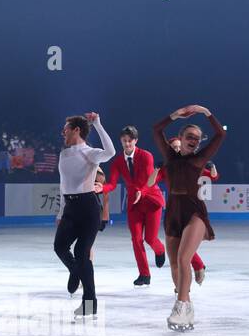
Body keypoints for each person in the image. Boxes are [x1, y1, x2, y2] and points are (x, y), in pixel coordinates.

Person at [153, 105, 226, 331]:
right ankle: (186, 303)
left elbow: (220, 134)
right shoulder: (169, 157)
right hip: (173, 212)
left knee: (185, 259)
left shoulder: (201, 158)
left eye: (197, 137)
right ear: (181, 138)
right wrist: (175, 114)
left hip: (195, 212)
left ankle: (181, 305)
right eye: (190, 136)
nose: (194, 140)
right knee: (174, 264)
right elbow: (156, 130)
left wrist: (206, 112)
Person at [54, 113, 115, 321]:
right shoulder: (64, 155)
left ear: (76, 130)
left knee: (82, 252)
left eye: (66, 128)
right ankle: (75, 271)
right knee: (60, 247)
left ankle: (90, 304)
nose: (63, 132)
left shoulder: (90, 153)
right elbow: (63, 185)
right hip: (70, 207)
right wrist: (61, 212)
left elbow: (111, 151)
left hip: (88, 208)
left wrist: (97, 123)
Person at [100, 125, 166, 287]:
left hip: (151, 200)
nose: (127, 144)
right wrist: (101, 188)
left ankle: (160, 250)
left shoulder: (146, 156)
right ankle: (144, 274)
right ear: (121, 141)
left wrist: (141, 192)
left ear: (135, 141)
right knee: (136, 239)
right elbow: (113, 184)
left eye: (130, 141)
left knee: (150, 239)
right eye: (124, 141)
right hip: (134, 205)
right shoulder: (117, 162)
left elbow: (152, 180)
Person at [153, 136, 215, 285]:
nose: (176, 150)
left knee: (184, 246)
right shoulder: (167, 167)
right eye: (173, 147)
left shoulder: (193, 164)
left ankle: (195, 272)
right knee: (178, 249)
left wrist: (212, 167)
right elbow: (150, 183)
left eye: (178, 147)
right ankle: (181, 289)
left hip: (192, 208)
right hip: (174, 210)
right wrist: (156, 170)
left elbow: (213, 176)